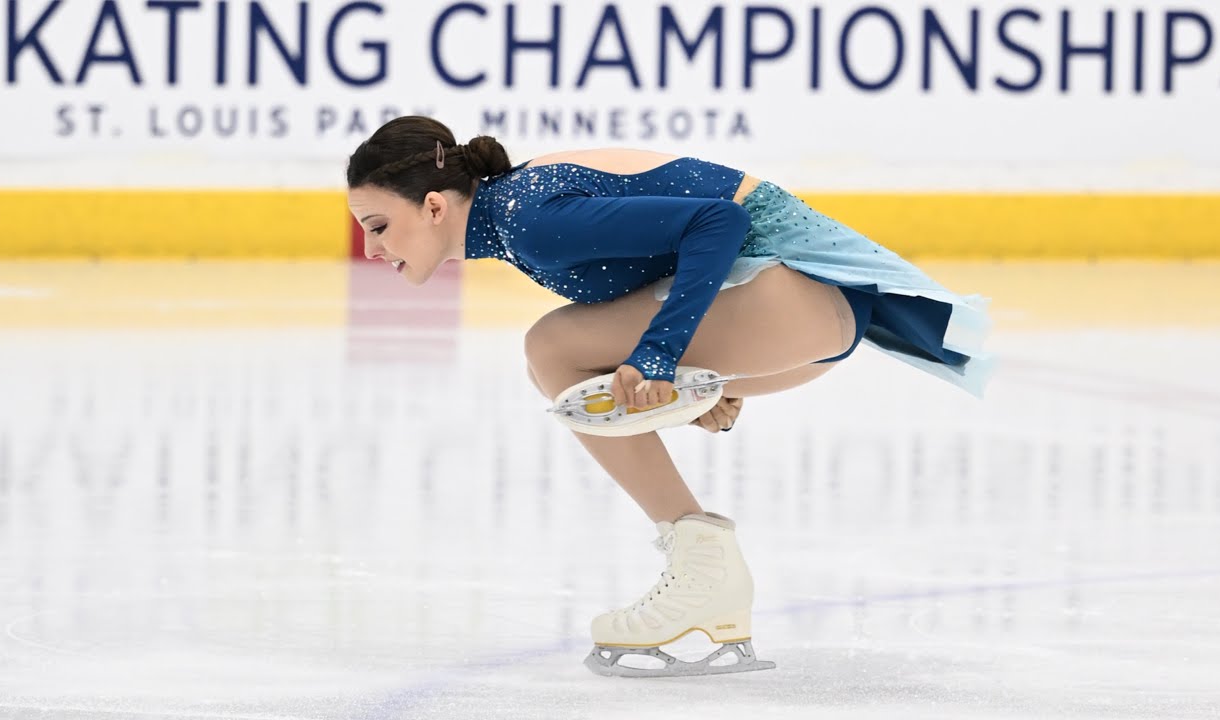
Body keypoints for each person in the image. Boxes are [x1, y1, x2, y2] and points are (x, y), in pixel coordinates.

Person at [346, 116, 993, 677]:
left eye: (378, 226)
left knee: (552, 351)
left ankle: (702, 564)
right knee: (580, 359)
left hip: (795, 296)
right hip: (800, 315)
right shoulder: (517, 212)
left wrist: (662, 349)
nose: (372, 249)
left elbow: (720, 219)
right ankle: (705, 567)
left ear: (434, 206)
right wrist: (688, 363)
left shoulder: (529, 221)